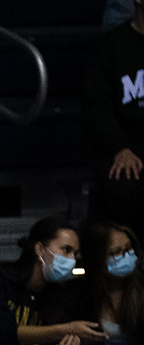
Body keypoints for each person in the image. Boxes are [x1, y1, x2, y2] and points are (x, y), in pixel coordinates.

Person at [0, 218, 106, 345]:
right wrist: (64, 330)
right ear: (39, 249)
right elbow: (1, 333)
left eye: (75, 254)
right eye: (66, 250)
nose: (71, 259)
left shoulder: (61, 296)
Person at [85, 4, 144, 234]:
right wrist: (120, 148)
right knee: (125, 181)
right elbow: (97, 106)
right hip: (126, 143)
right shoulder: (112, 46)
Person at [45, 221, 143, 345]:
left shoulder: (141, 287)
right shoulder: (78, 295)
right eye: (116, 252)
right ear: (98, 259)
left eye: (129, 248)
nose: (126, 256)